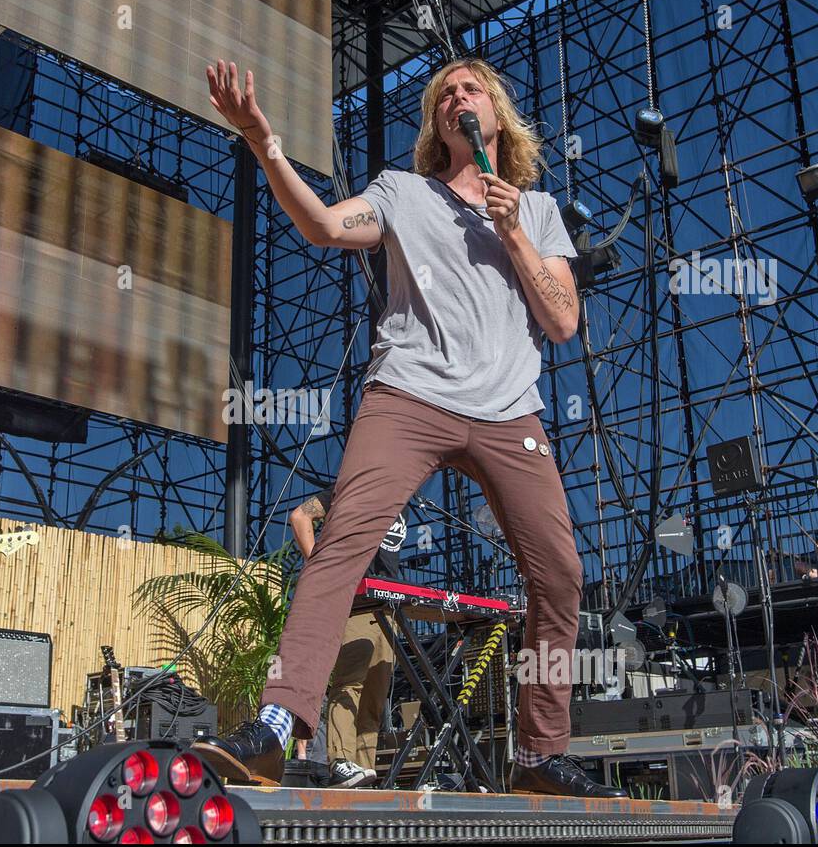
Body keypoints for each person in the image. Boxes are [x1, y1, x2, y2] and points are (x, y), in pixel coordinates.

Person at [194, 56, 621, 797]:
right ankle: (275, 723)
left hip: (509, 410)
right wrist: (264, 142)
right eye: (444, 93)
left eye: (471, 88)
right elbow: (326, 226)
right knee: (341, 547)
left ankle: (540, 756)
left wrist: (514, 232)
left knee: (560, 577)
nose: (457, 96)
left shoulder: (540, 210)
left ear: (496, 113)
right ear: (436, 124)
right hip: (409, 395)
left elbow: (561, 322)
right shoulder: (402, 192)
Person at [290, 488, 405, 788]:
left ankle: (364, 772)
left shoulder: (399, 494)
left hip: (387, 607)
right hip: (356, 604)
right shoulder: (350, 489)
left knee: (374, 697)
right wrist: (322, 571)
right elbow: (300, 517)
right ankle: (340, 761)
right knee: (349, 684)